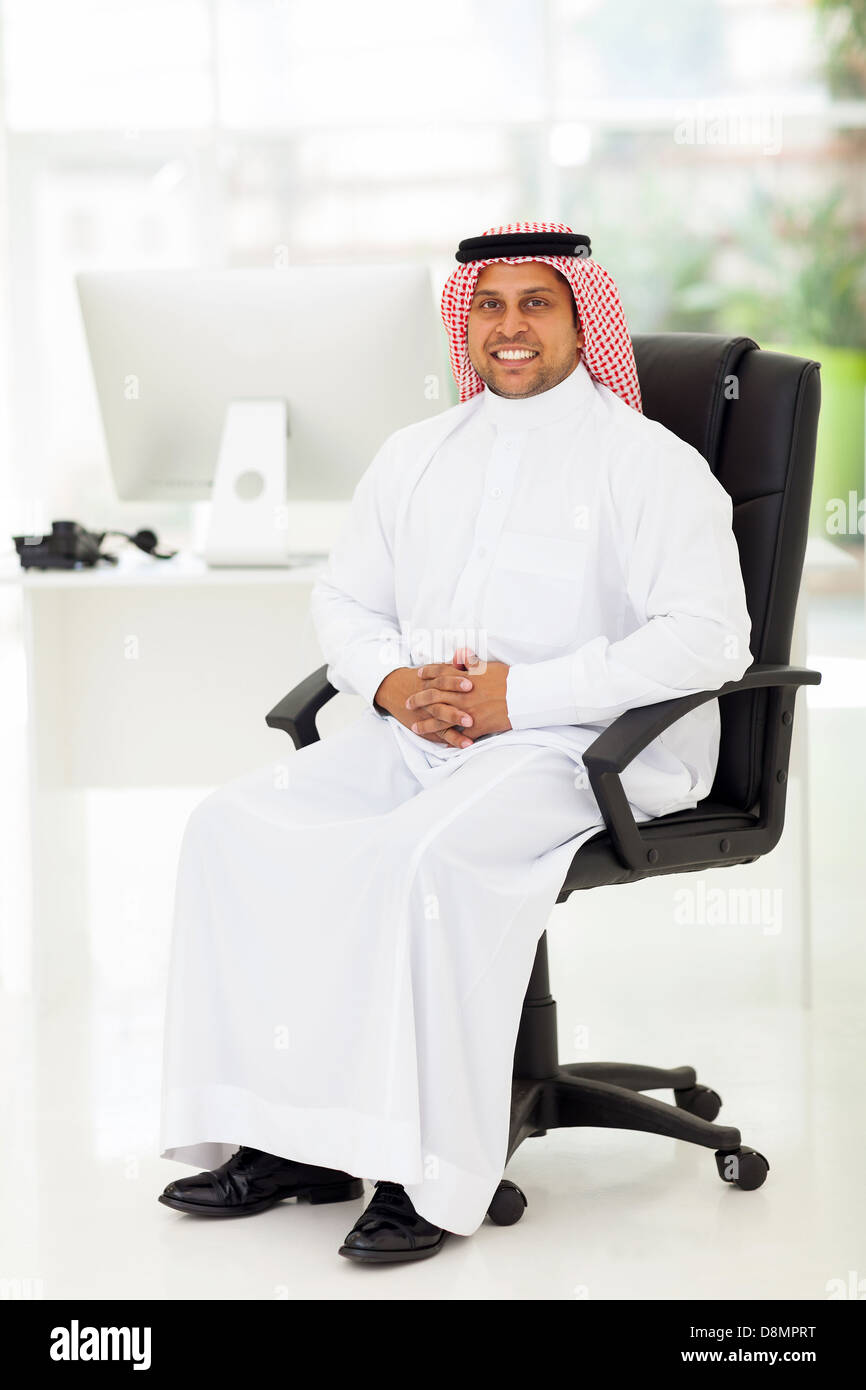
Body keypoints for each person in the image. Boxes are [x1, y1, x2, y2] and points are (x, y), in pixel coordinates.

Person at [157, 221, 753, 1264]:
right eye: (489, 304)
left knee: (416, 860)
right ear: (462, 319)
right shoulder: (415, 455)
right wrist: (391, 682)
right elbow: (344, 596)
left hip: (582, 748)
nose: (509, 326)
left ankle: (428, 1177)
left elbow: (707, 638)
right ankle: (288, 1142)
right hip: (422, 732)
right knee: (231, 828)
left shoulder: (644, 464)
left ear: (581, 321)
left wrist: (519, 697)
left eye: (537, 304)